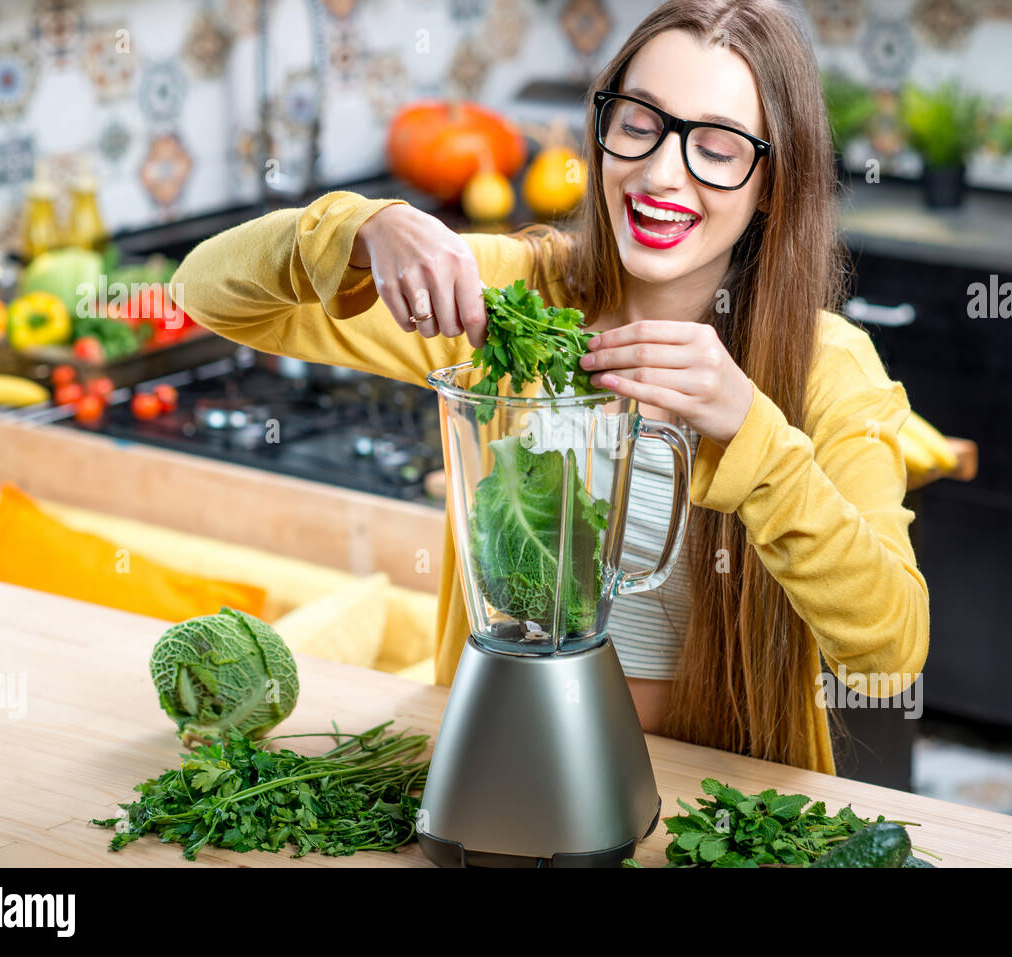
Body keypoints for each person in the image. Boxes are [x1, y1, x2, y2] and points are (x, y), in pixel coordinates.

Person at [172, 0, 929, 775]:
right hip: (501, 776)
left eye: (717, 146)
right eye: (640, 123)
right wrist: (361, 229)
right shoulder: (513, 301)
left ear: (772, 182)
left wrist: (753, 435)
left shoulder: (826, 368)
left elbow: (890, 649)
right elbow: (205, 291)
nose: (662, 173)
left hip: (715, 813)